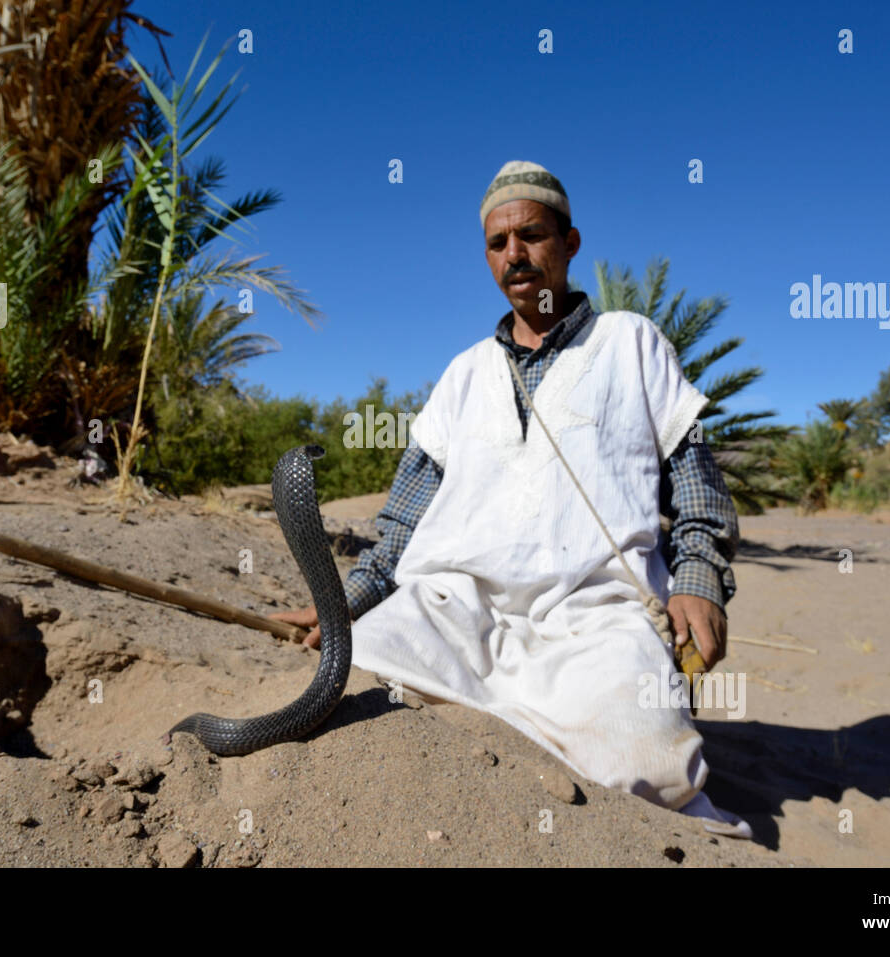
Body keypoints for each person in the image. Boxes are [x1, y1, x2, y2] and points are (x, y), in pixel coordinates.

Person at [272, 160, 751, 838]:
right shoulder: (464, 374)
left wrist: (698, 579)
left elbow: (696, 480)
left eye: (530, 235)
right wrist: (342, 604)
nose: (514, 255)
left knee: (646, 765)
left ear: (571, 242)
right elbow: (403, 523)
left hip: (595, 614)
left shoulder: (631, 342)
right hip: (456, 607)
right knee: (349, 685)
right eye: (498, 244)